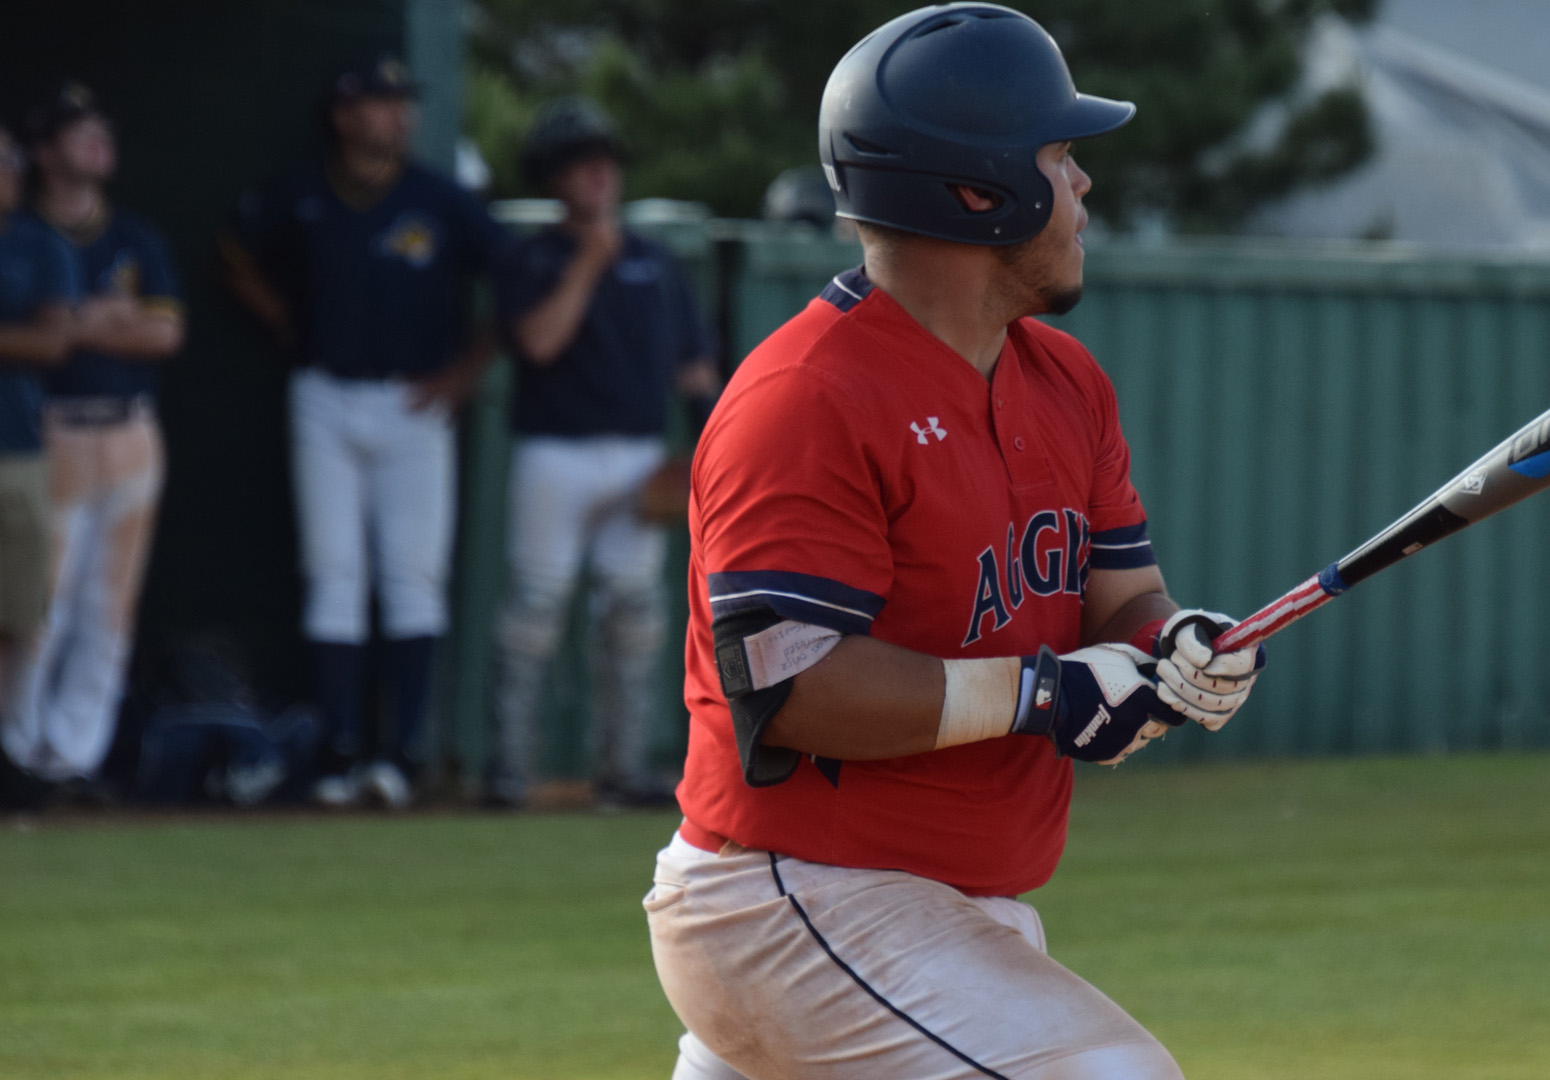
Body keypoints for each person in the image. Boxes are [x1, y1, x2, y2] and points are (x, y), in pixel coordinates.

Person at [647, 6, 1267, 1077]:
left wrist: (1173, 648)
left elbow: (1123, 599)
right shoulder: (806, 396)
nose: (1084, 185)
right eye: (1060, 156)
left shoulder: (1066, 381)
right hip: (796, 897)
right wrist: (1046, 693)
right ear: (982, 193)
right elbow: (791, 689)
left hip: (938, 911)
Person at [224, 57, 505, 809]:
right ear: (344, 115)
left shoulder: (438, 198)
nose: (398, 115)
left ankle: (401, 755)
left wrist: (464, 372)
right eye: (381, 103)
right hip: (324, 392)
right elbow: (234, 254)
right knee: (334, 571)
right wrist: (286, 320)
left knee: (411, 575)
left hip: (413, 401)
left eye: (402, 102)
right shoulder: (304, 192)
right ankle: (340, 749)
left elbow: (515, 278)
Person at [484, 97, 719, 810]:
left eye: (603, 159)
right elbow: (538, 342)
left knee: (636, 617)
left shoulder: (656, 261)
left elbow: (694, 370)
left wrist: (706, 448)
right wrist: (589, 260)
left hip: (639, 455)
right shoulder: (533, 257)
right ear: (552, 177)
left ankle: (624, 768)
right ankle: (508, 772)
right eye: (579, 162)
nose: (597, 173)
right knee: (534, 613)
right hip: (555, 455)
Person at [8, 84, 183, 793]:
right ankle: (17, 750)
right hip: (52, 430)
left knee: (109, 605)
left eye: (100, 128)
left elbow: (165, 333)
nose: (97, 140)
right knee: (37, 603)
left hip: (130, 429)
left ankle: (75, 756)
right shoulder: (21, 237)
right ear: (42, 152)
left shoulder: (135, 236)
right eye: (78, 130)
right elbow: (42, 338)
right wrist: (97, 320)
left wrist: (80, 325)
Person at [0, 121, 80, 797]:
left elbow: (53, 342)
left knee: (18, 613)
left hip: (17, 450)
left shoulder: (39, 244)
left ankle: (8, 746)